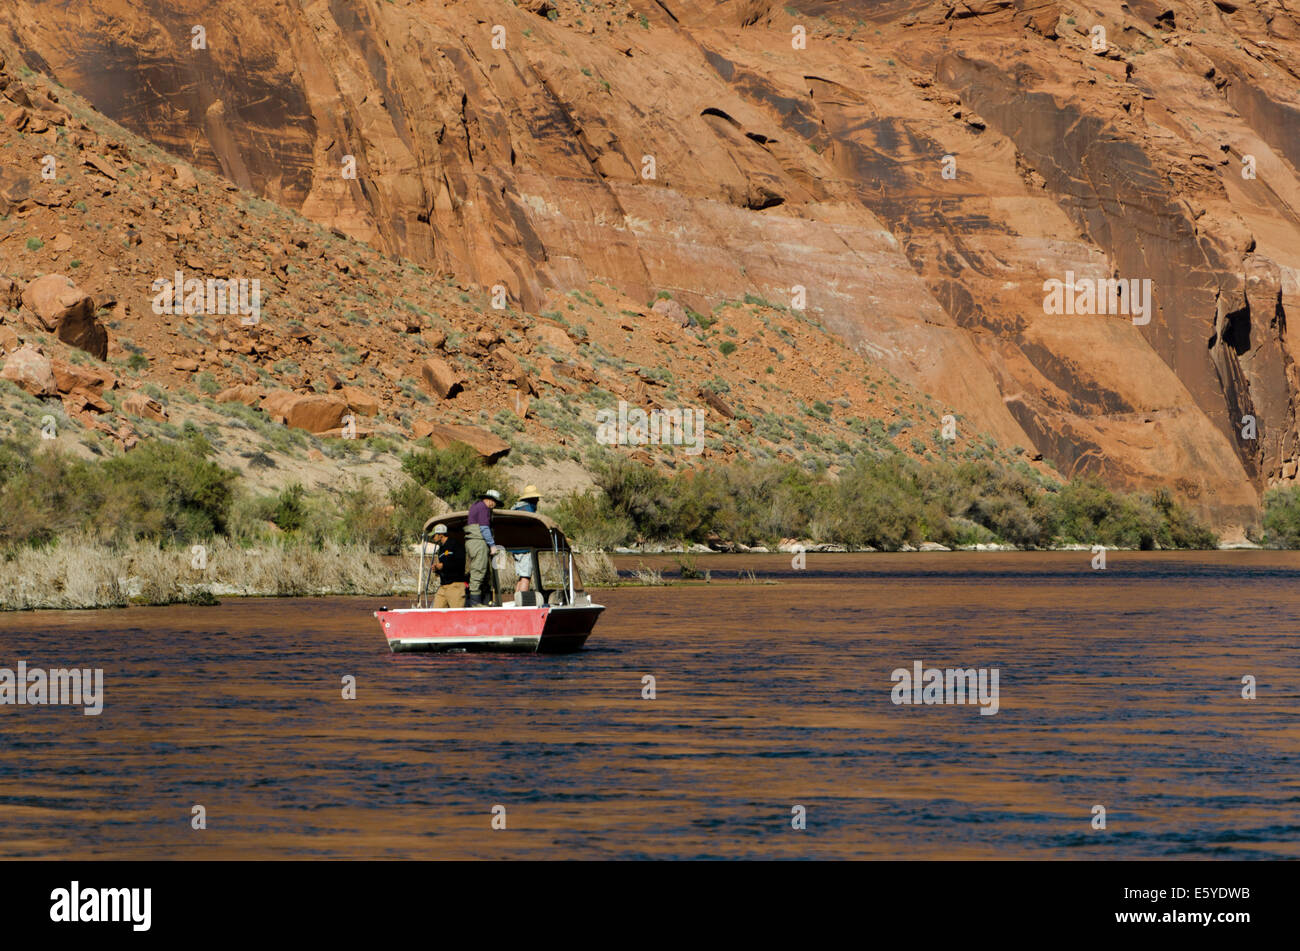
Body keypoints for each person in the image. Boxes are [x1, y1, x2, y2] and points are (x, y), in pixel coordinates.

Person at [465, 489, 502, 607]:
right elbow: (484, 528)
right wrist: (492, 545)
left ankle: (482, 600)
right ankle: (475, 603)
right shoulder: (483, 508)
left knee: (481, 571)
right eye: (495, 502)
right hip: (478, 542)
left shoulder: (476, 506)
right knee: (479, 570)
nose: (494, 505)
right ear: (491, 500)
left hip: (473, 542)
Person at [428, 523, 467, 609]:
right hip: (443, 587)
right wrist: (437, 569)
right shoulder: (441, 549)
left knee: (457, 615)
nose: (433, 538)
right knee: (436, 613)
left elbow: (460, 563)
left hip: (456, 586)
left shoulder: (455, 544)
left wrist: (443, 566)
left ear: (441, 534)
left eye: (434, 535)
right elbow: (444, 567)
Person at [511, 485, 541, 594]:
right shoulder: (527, 510)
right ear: (532, 498)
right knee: (526, 577)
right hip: (525, 548)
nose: (538, 500)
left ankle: (517, 602)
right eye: (536, 498)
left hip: (515, 548)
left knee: (521, 577)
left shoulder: (516, 508)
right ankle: (523, 602)